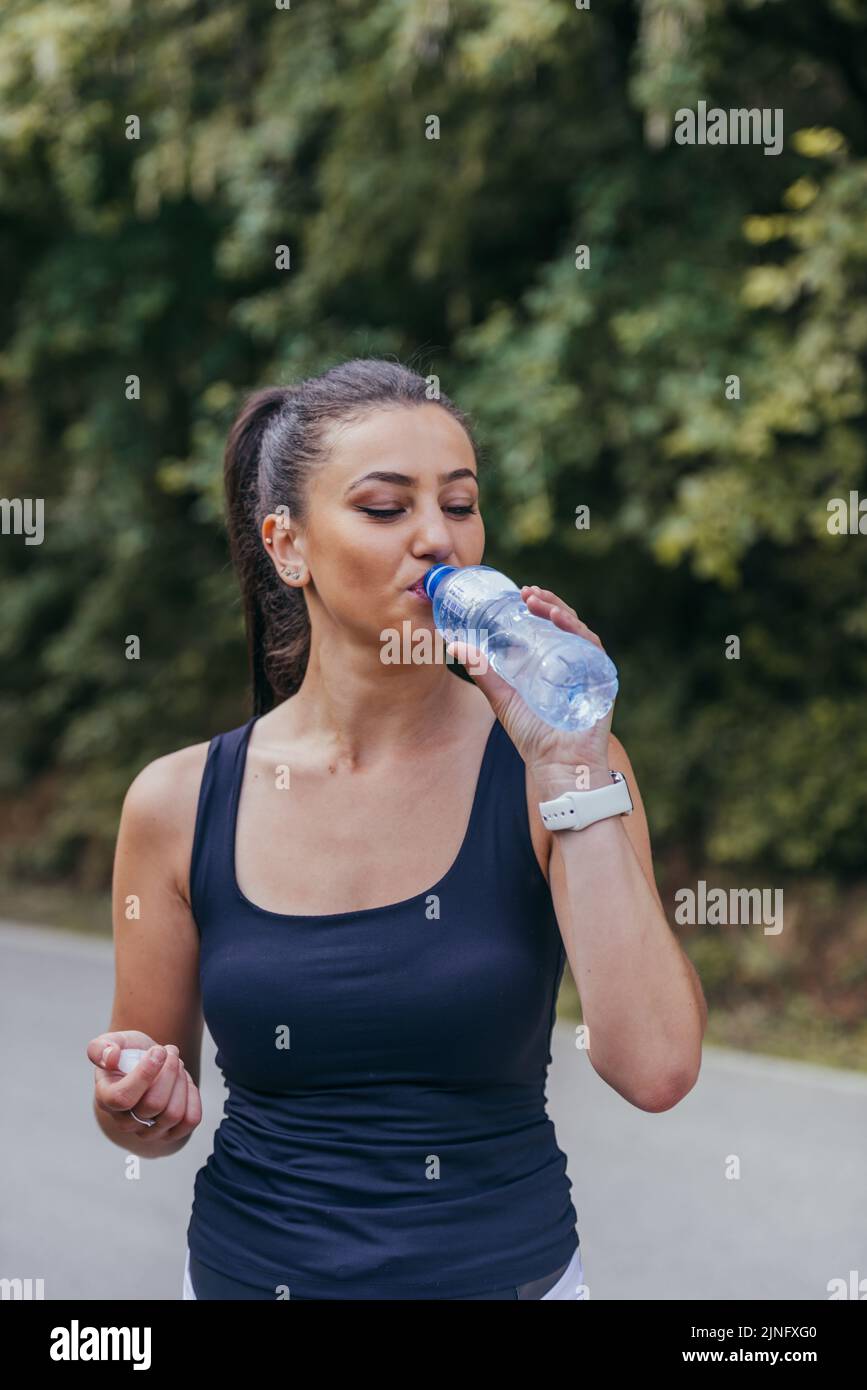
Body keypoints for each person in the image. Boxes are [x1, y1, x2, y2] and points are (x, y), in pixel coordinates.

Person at [87, 358, 706, 1300]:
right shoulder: (178, 802)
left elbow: (656, 1066)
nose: (436, 539)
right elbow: (149, 1110)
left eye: (459, 505)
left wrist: (571, 768)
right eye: (385, 509)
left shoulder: (558, 768)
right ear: (287, 546)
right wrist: (137, 1101)